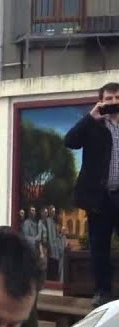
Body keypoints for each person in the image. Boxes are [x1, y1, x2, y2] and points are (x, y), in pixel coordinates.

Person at [64, 81, 119, 306]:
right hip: (100, 198)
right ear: (100, 101)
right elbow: (70, 141)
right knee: (99, 248)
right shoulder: (93, 126)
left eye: (117, 98)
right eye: (108, 99)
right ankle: (102, 292)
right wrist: (90, 118)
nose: (114, 103)